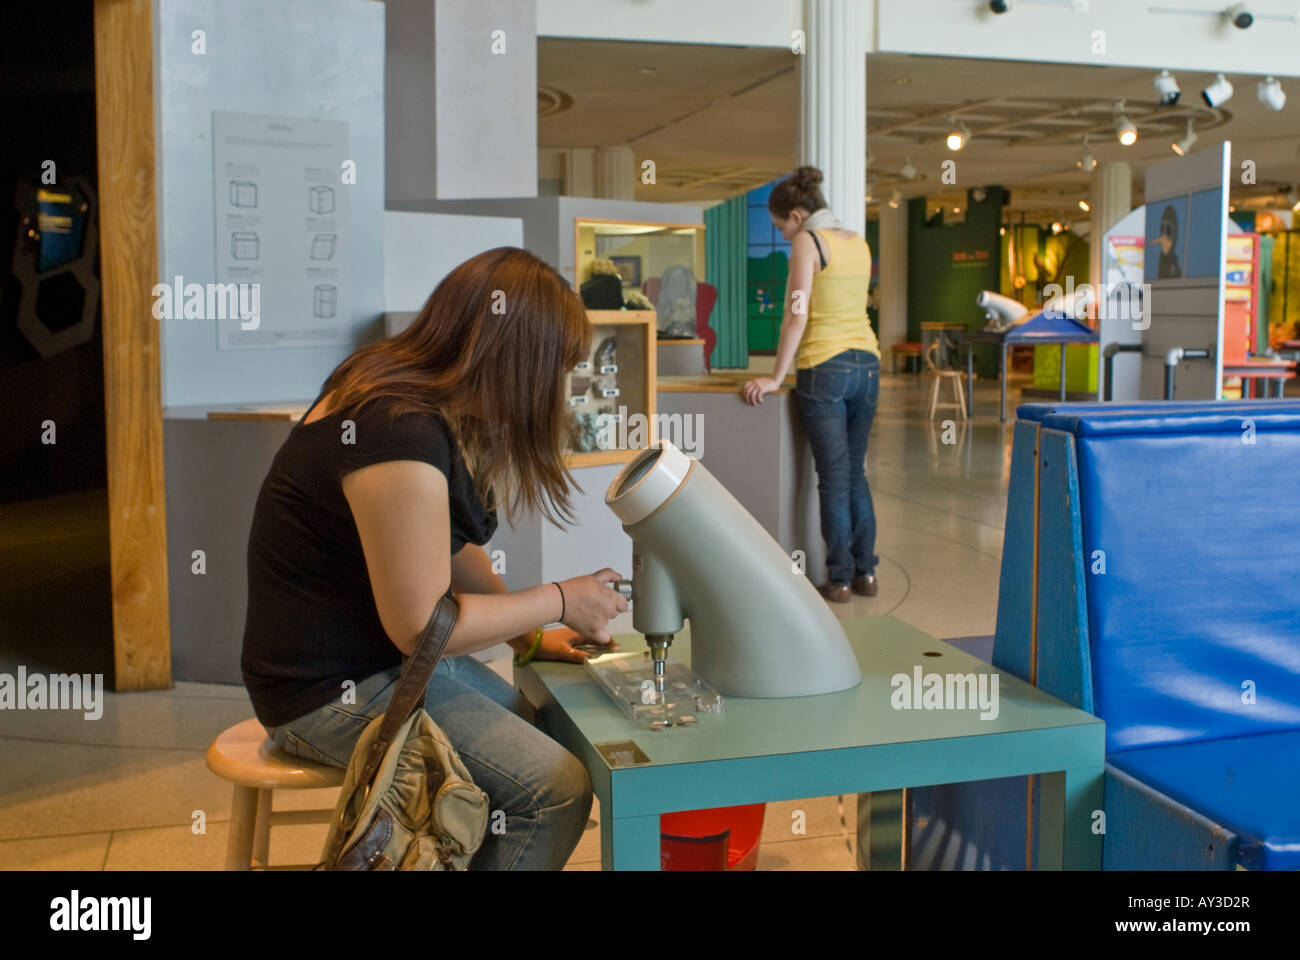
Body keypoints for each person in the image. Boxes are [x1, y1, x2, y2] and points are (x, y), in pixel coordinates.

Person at [240, 247, 628, 870]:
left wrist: (528, 633)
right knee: (552, 789)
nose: (558, 388)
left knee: (539, 730)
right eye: (556, 369)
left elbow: (449, 543)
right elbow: (422, 626)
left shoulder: (401, 394)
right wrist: (562, 597)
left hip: (376, 662)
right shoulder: (395, 428)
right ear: (515, 361)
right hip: (321, 690)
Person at [742, 166, 882, 603]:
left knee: (833, 478)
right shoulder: (857, 242)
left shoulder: (808, 243)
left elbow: (797, 312)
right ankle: (866, 573)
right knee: (855, 473)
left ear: (798, 216)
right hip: (869, 366)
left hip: (825, 367)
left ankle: (838, 580)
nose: (783, 235)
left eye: (781, 225)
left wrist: (775, 376)